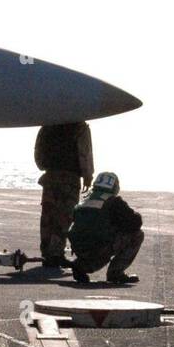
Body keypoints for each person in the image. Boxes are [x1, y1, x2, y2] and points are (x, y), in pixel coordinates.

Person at [34, 121, 94, 267]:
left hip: (50, 176)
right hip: (70, 178)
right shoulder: (80, 127)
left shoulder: (48, 124)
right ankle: (56, 254)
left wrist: (44, 166)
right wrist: (87, 174)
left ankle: (47, 253)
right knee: (64, 216)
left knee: (48, 215)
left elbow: (38, 151)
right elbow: (84, 152)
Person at [68, 172, 144, 285]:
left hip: (79, 247)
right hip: (99, 247)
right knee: (137, 234)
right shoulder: (113, 201)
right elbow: (135, 223)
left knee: (95, 243)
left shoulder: (84, 200)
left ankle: (81, 265)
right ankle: (115, 272)